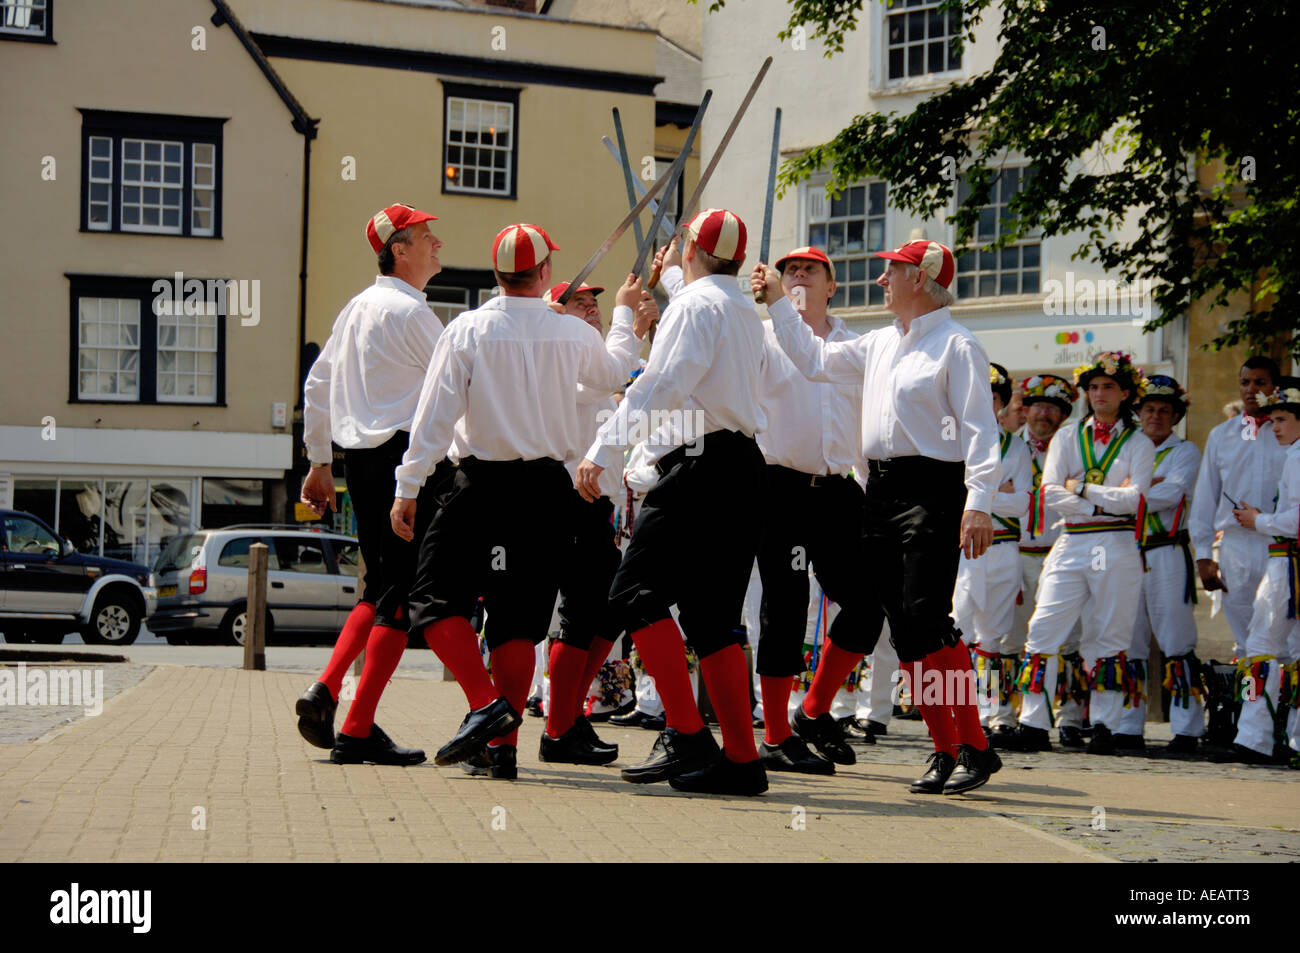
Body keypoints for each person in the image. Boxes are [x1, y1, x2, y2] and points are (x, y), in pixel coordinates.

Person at [391, 223, 644, 781]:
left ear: (496, 271)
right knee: (515, 622)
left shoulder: (467, 330)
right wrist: (623, 316)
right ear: (546, 272)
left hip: (481, 485)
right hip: (546, 492)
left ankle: (487, 710)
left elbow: (433, 418)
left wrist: (408, 486)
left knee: (433, 600)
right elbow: (617, 372)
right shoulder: (573, 334)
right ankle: (499, 741)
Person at [754, 238, 1004, 795]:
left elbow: (981, 431)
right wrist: (775, 302)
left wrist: (979, 502)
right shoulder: (879, 342)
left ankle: (964, 748)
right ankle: (955, 749)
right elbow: (815, 361)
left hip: (932, 491)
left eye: (890, 271)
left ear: (920, 279)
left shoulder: (958, 345)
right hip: (880, 491)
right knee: (906, 623)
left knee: (922, 621)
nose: (880, 281)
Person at [577, 209, 772, 796]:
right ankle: (741, 759)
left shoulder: (696, 307)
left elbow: (663, 385)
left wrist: (603, 447)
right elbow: (699, 332)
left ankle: (687, 733)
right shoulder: (743, 311)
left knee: (634, 594)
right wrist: (671, 283)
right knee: (714, 620)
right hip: (741, 467)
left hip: (699, 468)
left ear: (690, 249)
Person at [296, 203, 451, 766]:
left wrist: (318, 463)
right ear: (398, 251)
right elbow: (453, 389)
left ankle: (331, 692)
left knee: (381, 587)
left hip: (361, 462)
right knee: (400, 595)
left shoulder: (356, 309)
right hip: (407, 463)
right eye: (425, 237)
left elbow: (318, 386)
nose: (437, 244)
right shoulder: (413, 315)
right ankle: (354, 722)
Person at [750, 246, 883, 774]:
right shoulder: (762, 338)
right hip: (780, 486)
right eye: (789, 270)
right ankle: (776, 732)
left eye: (810, 269)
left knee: (868, 604)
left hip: (839, 488)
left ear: (832, 286)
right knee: (785, 605)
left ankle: (813, 708)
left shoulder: (857, 347)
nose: (798, 275)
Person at [1004, 352, 1155, 755]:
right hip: (1071, 539)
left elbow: (1136, 499)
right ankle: (1033, 722)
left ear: (1125, 393)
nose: (1099, 393)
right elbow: (1051, 492)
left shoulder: (1138, 442)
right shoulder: (1069, 436)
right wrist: (1100, 501)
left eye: (1108, 387)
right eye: (1093, 387)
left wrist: (1082, 489)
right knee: (1043, 628)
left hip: (1118, 542)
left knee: (1109, 634)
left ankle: (1105, 724)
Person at [537, 280, 657, 763]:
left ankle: (568, 716)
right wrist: (629, 322)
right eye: (580, 304)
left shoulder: (591, 357)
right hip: (569, 498)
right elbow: (617, 373)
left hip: (596, 504)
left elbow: (632, 386)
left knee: (607, 611)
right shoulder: (562, 354)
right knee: (578, 614)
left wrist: (640, 327)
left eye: (596, 305)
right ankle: (558, 726)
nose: (594, 311)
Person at [998, 373, 1083, 749]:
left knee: (1067, 641)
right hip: (1014, 553)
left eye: (1054, 408)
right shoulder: (1007, 448)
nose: (1044, 414)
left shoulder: (1075, 452)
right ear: (1025, 409)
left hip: (1059, 552)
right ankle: (998, 714)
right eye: (1038, 406)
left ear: (1064, 415)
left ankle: (1070, 718)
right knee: (1006, 639)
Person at [1125, 376, 1204, 754]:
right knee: (1130, 639)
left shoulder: (1184, 451)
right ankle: (1128, 726)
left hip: (1167, 550)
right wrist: (1142, 488)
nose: (1155, 416)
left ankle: (1187, 730)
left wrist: (1127, 492)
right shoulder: (1129, 447)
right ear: (1138, 413)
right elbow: (1153, 494)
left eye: (1164, 411)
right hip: (1129, 551)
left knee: (1176, 638)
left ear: (1175, 416)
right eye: (1149, 409)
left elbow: (1173, 494)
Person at [954, 363, 1032, 734]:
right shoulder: (952, 441)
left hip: (1002, 548)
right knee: (957, 628)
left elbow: (1022, 505)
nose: (986, 404)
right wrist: (994, 494)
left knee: (992, 637)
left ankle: (994, 713)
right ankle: (956, 712)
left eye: (994, 398)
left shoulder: (1016, 447)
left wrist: (977, 498)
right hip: (962, 550)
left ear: (1002, 404)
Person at [1225, 378, 1300, 763]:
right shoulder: (1293, 456)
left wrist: (1259, 520)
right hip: (1288, 560)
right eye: (1272, 420)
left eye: (1283, 419)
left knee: (1260, 649)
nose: (1275, 427)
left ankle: (1254, 738)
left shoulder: (1299, 458)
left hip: (1288, 562)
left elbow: (1297, 519)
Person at [1190, 357, 1286, 657]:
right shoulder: (1222, 435)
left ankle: (1283, 703)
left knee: (1285, 640)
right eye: (1245, 382)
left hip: (1281, 545)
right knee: (1245, 643)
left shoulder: (1289, 433)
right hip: (1236, 548)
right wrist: (1204, 554)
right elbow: (1206, 496)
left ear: (1274, 388)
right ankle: (1249, 702)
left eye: (1260, 382)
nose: (1251, 389)